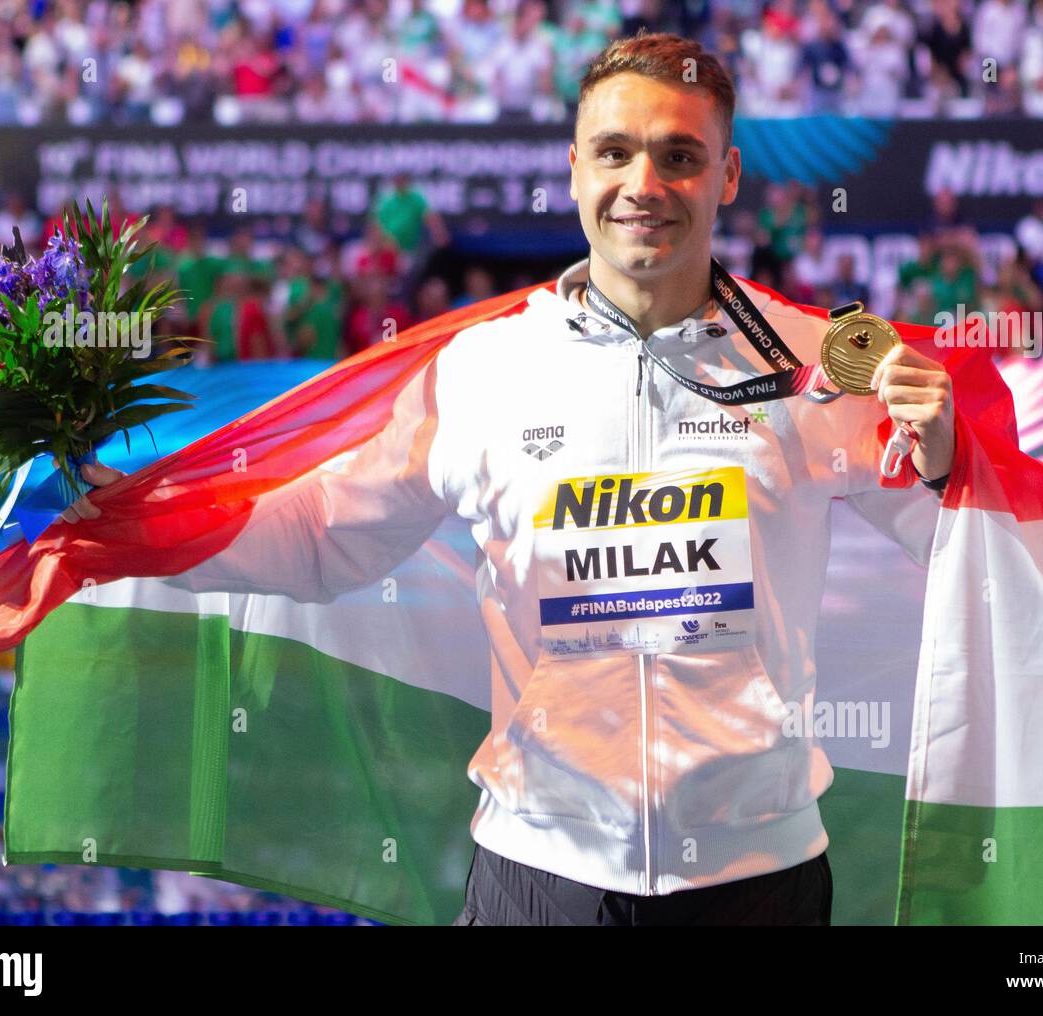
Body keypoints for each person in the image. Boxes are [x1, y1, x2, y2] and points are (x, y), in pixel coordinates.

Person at [58, 31, 955, 927]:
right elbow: (325, 534)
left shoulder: (821, 363)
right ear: (573, 170)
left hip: (761, 877)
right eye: (615, 152)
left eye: (679, 156)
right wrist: (148, 522)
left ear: (726, 174)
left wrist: (947, 450)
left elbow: (965, 538)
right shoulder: (482, 368)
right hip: (539, 873)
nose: (644, 184)